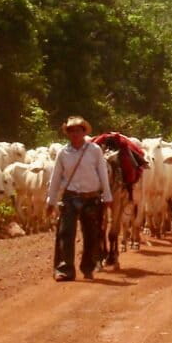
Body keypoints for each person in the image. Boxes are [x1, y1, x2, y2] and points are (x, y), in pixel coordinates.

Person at [46, 116, 112, 281]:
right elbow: (55, 177)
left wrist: (107, 195)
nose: (75, 133)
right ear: (67, 133)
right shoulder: (63, 153)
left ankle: (88, 267)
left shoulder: (95, 150)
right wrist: (51, 200)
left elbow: (103, 174)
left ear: (84, 132)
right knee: (65, 233)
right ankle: (64, 269)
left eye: (78, 130)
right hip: (70, 197)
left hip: (91, 196)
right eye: (71, 131)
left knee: (91, 234)